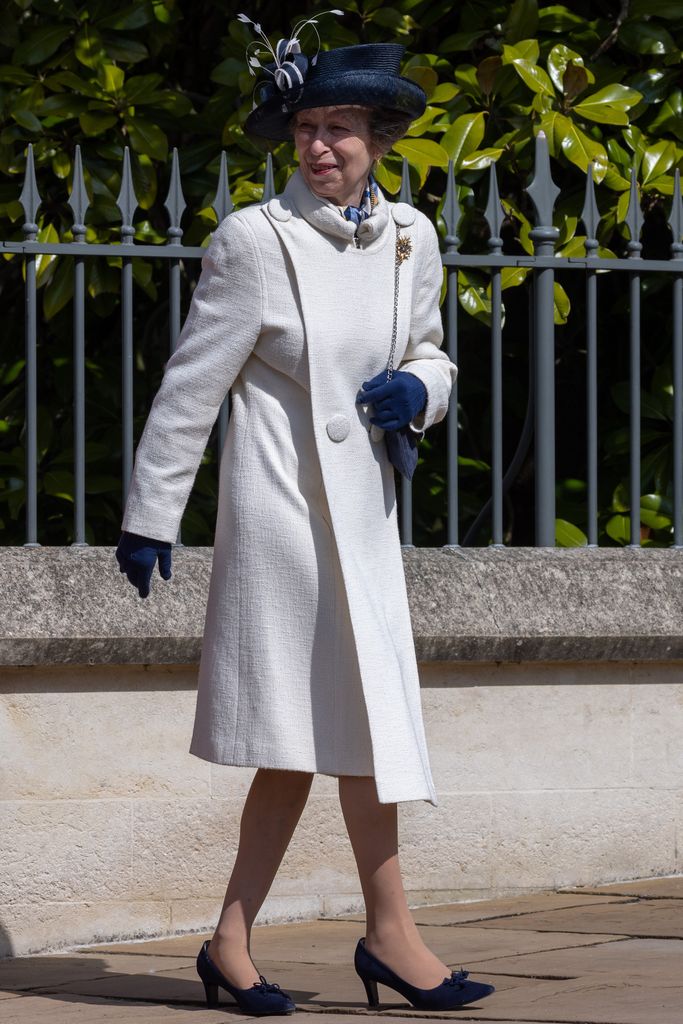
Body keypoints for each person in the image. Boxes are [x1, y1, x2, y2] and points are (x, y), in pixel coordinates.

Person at [115, 15, 494, 1016]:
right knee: (319, 733)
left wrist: (420, 392)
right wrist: (152, 511)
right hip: (282, 519)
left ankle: (275, 939)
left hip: (360, 521)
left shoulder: (411, 238)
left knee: (341, 736)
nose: (320, 146)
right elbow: (192, 384)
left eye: (339, 128)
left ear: (376, 138)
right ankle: (358, 937)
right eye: (305, 128)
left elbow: (431, 351)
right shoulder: (255, 239)